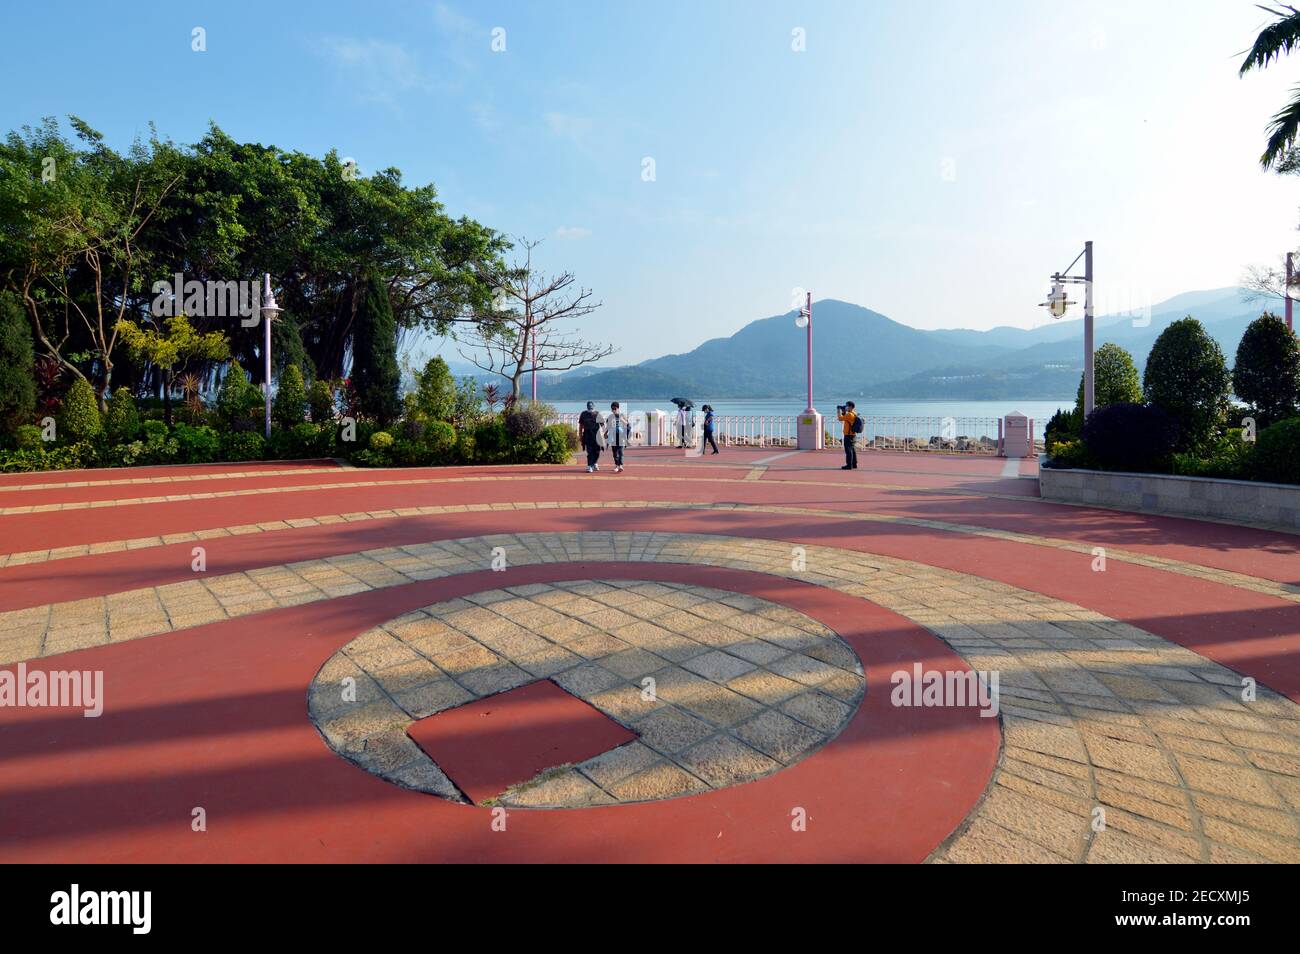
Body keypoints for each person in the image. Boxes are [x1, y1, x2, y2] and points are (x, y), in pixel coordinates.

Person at [578, 400, 603, 472]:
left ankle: (595, 463)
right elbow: (581, 425)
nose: (590, 410)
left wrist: (604, 434)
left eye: (591, 408)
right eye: (589, 408)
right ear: (587, 407)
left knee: (597, 451)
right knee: (590, 451)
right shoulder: (583, 414)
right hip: (587, 435)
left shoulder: (597, 414)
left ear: (594, 407)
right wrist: (580, 435)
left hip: (597, 435)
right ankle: (589, 466)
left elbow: (602, 425)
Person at [605, 401, 628, 473]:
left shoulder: (622, 415)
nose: (613, 410)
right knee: (615, 452)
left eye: (614, 408)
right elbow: (608, 426)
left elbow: (628, 425)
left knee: (621, 452)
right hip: (613, 437)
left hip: (621, 436)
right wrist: (605, 433)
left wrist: (622, 420)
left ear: (618, 408)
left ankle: (620, 465)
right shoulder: (610, 417)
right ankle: (616, 465)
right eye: (612, 409)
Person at [837, 401, 859, 470]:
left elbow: (840, 418)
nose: (846, 407)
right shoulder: (854, 413)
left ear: (851, 407)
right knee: (852, 449)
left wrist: (838, 411)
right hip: (853, 434)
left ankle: (849, 465)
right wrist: (844, 412)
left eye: (847, 406)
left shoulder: (849, 414)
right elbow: (845, 418)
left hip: (848, 434)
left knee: (848, 450)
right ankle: (854, 464)